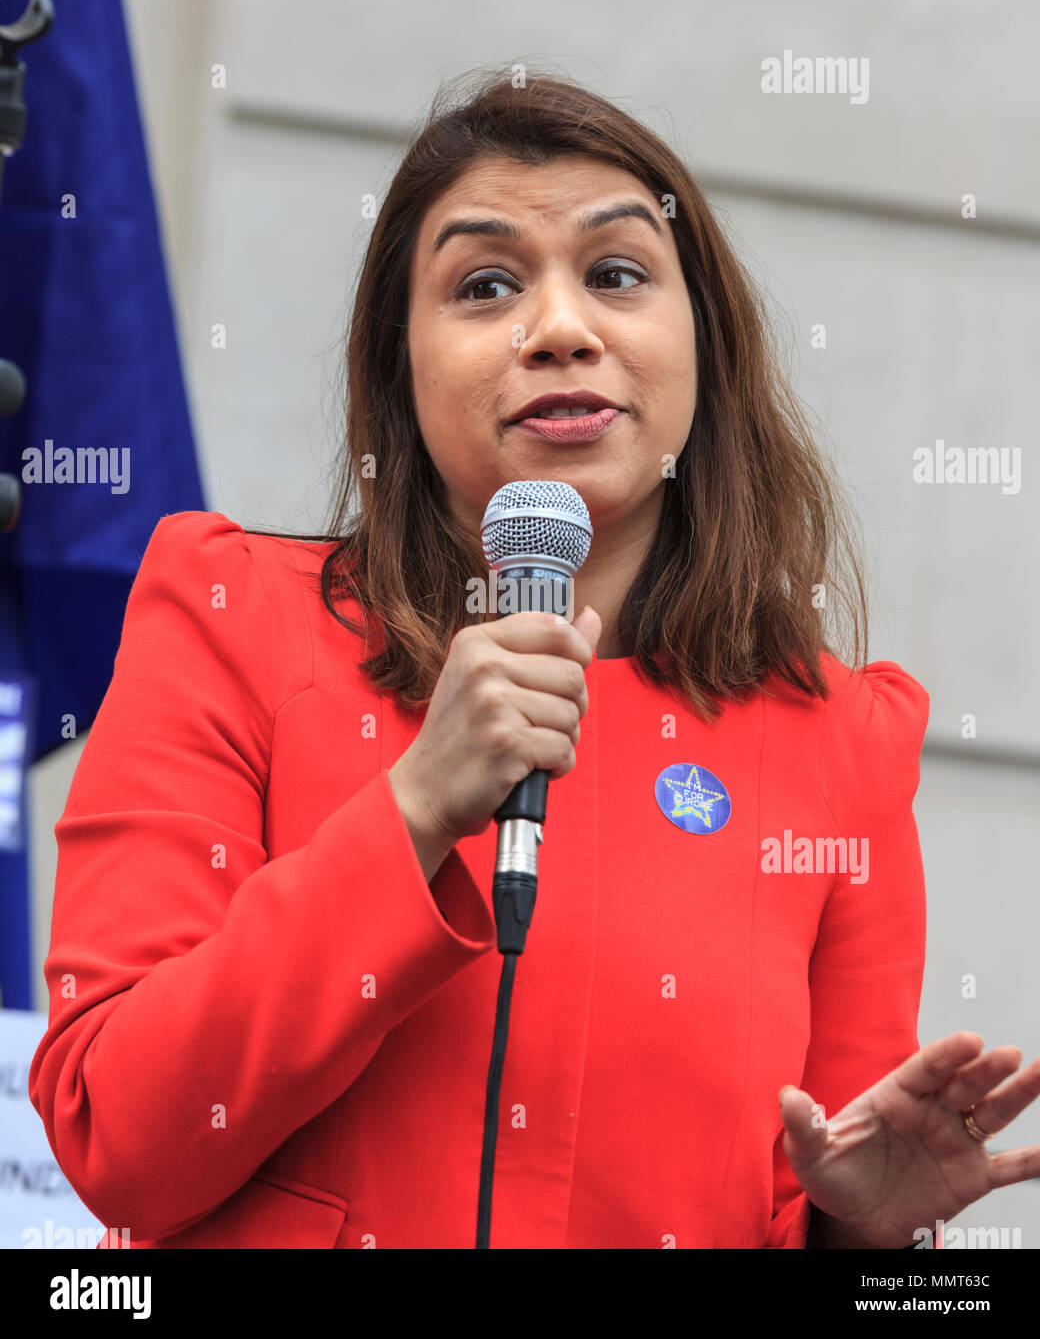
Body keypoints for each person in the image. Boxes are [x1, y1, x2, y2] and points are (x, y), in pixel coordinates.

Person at [28, 67, 1040, 1250]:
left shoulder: (837, 744)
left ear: (700, 347)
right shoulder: (229, 620)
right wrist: (410, 812)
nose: (559, 329)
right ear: (398, 367)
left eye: (615, 274)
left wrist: (859, 1241)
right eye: (485, 283)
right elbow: (117, 1135)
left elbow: (822, 1182)